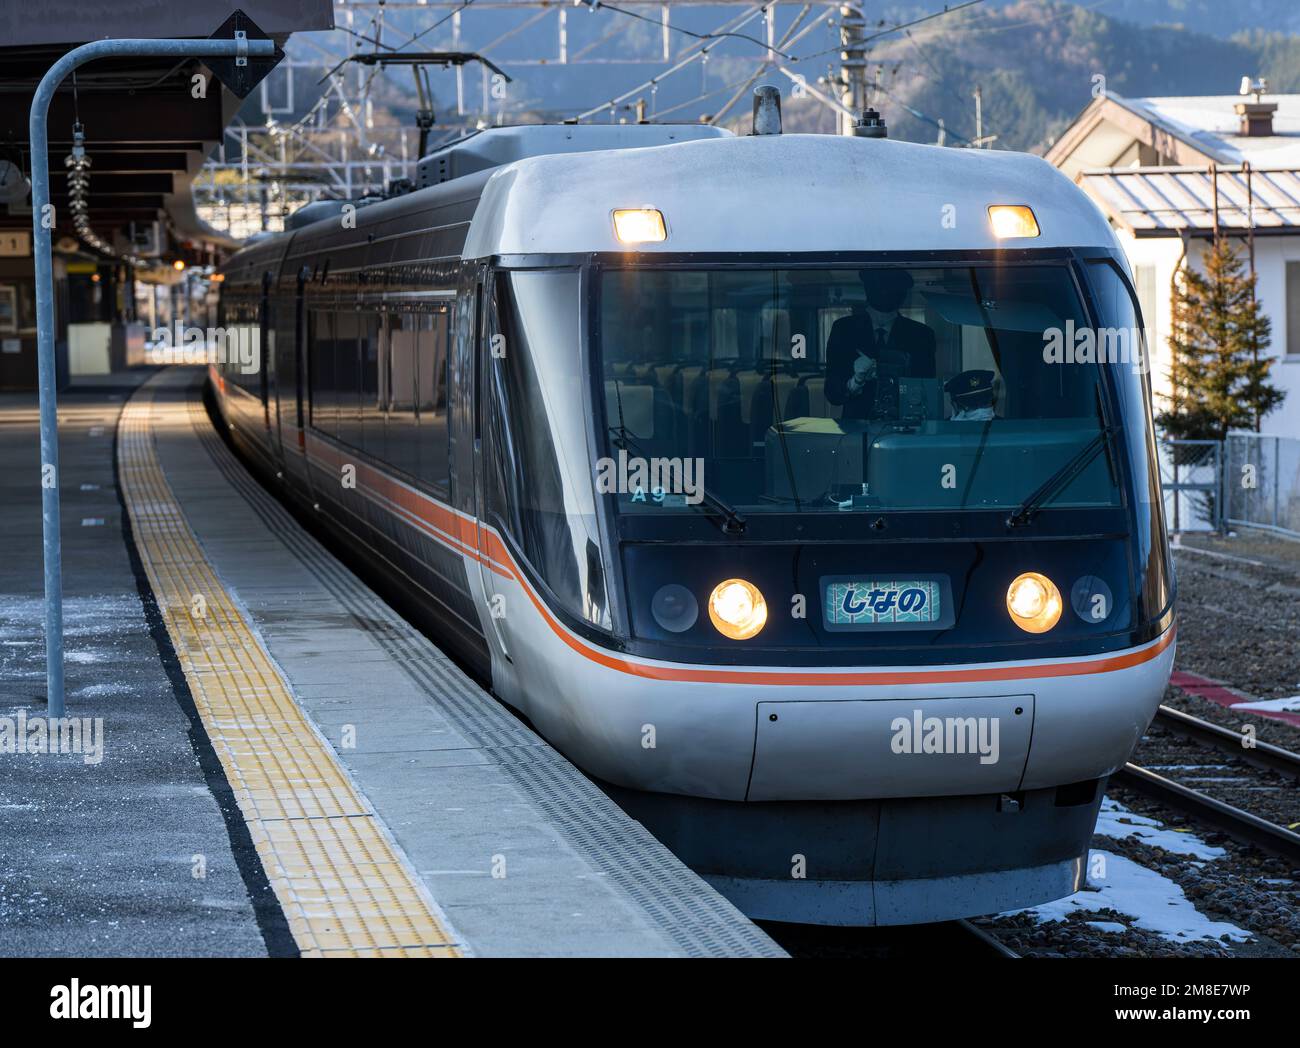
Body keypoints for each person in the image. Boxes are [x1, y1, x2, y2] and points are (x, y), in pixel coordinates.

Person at [825, 268, 937, 420]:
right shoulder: (844, 330)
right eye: (880, 287)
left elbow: (927, 391)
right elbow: (833, 394)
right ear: (868, 290)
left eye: (892, 288)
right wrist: (856, 381)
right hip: (857, 431)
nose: (885, 293)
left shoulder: (921, 335)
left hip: (905, 427)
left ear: (902, 295)